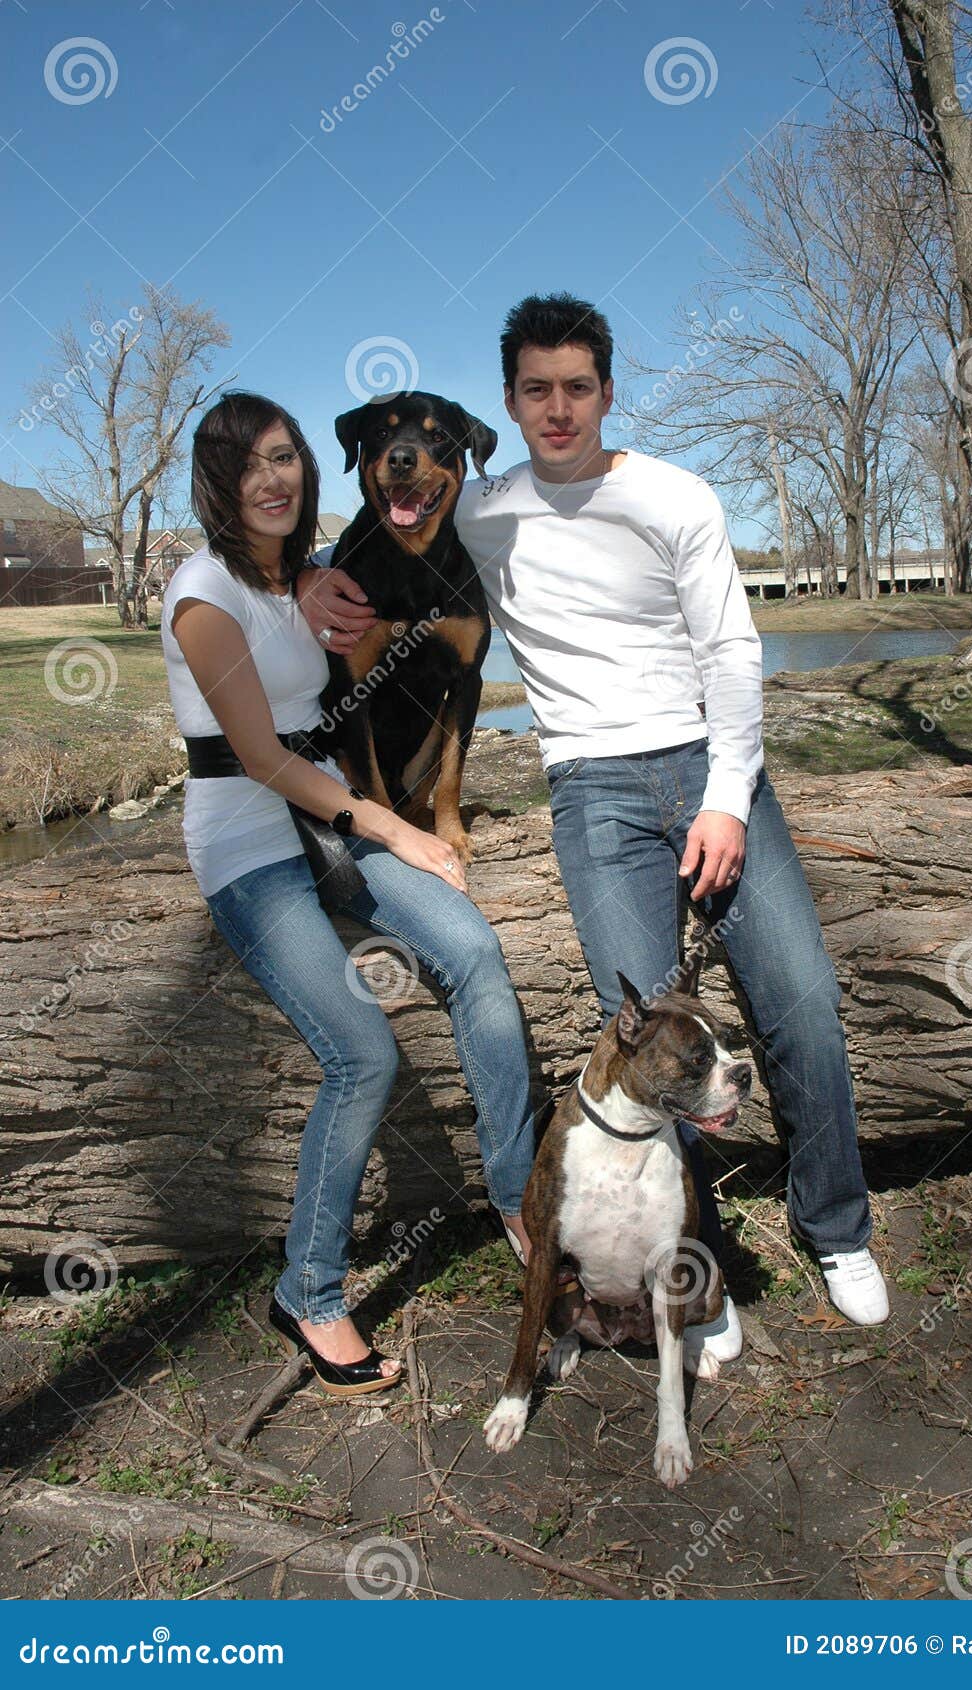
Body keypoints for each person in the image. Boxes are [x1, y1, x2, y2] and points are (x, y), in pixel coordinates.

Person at [299, 295, 891, 1353]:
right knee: (648, 1041)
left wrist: (723, 795)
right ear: (511, 402)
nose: (558, 408)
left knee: (800, 997)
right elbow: (365, 545)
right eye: (536, 389)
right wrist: (307, 581)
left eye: (577, 387)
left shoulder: (672, 495)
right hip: (592, 789)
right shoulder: (475, 507)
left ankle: (834, 1225)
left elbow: (732, 655)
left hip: (708, 771)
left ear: (606, 392)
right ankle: (693, 1270)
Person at [162, 389, 535, 1398]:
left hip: (333, 821)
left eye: (283, 457)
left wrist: (320, 580)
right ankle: (311, 1290)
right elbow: (260, 758)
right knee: (361, 1050)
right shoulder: (202, 591)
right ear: (217, 484)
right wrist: (396, 826)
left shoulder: (309, 575)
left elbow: (348, 658)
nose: (271, 478)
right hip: (255, 840)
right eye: (247, 467)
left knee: (477, 955)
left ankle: (516, 1197)